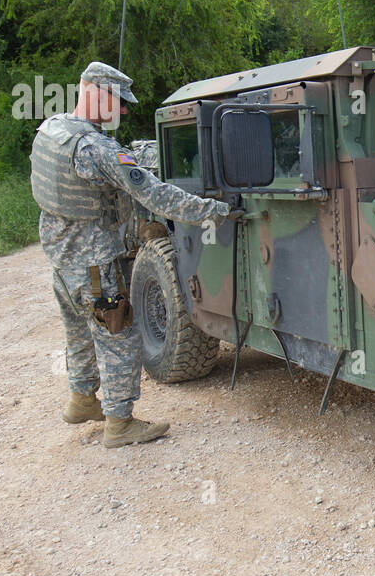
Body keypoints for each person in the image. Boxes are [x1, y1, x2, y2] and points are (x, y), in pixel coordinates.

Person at [30, 61, 234, 448]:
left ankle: (81, 400)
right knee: (118, 334)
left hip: (62, 258)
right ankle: (120, 424)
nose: (123, 110)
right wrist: (213, 211)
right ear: (96, 92)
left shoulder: (53, 129)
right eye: (118, 101)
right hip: (94, 263)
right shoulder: (95, 148)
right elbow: (154, 194)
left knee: (78, 329)